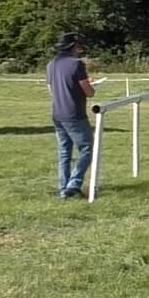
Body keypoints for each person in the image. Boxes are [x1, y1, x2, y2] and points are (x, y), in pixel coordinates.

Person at [46, 32, 97, 199]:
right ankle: (73, 184)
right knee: (88, 149)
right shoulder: (77, 64)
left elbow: (51, 90)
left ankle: (63, 187)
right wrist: (91, 86)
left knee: (64, 152)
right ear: (74, 46)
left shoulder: (51, 64)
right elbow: (88, 92)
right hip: (74, 114)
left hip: (57, 113)